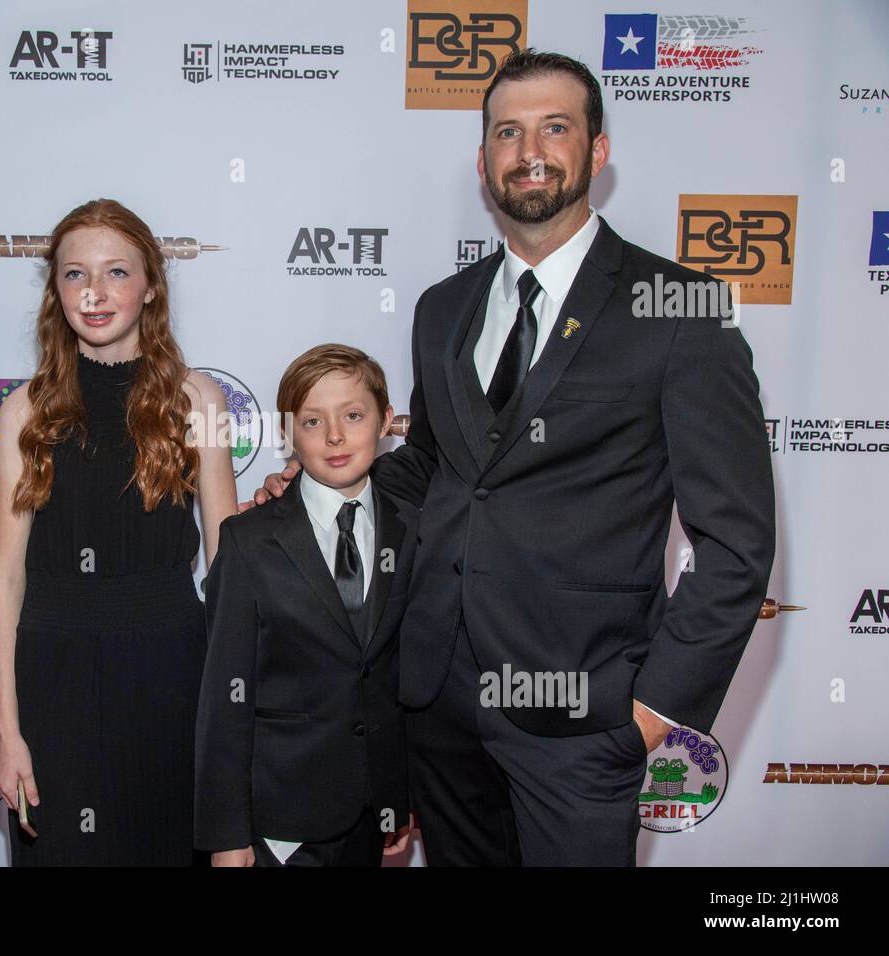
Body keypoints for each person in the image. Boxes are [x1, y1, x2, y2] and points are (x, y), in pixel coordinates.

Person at [254, 49, 775, 865]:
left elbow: (737, 543)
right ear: (484, 160)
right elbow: (428, 465)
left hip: (585, 717)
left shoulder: (679, 311)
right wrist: (327, 482)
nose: (529, 150)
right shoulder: (443, 308)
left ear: (596, 153)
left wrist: (655, 712)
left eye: (555, 127)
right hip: (436, 703)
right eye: (508, 132)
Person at [0, 198, 238, 866]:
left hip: (170, 677)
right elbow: (6, 578)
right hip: (52, 680)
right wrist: (7, 731)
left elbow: (229, 564)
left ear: (151, 285)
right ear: (56, 290)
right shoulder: (24, 411)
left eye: (116, 273)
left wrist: (230, 724)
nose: (94, 293)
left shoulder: (199, 402)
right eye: (75, 275)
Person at [195, 345, 415, 867]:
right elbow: (223, 699)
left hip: (372, 814)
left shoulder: (411, 527)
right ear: (288, 433)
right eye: (313, 421)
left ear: (386, 421)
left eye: (354, 416)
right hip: (280, 824)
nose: (335, 436)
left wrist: (398, 800)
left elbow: (396, 680)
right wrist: (227, 834)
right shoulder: (249, 541)